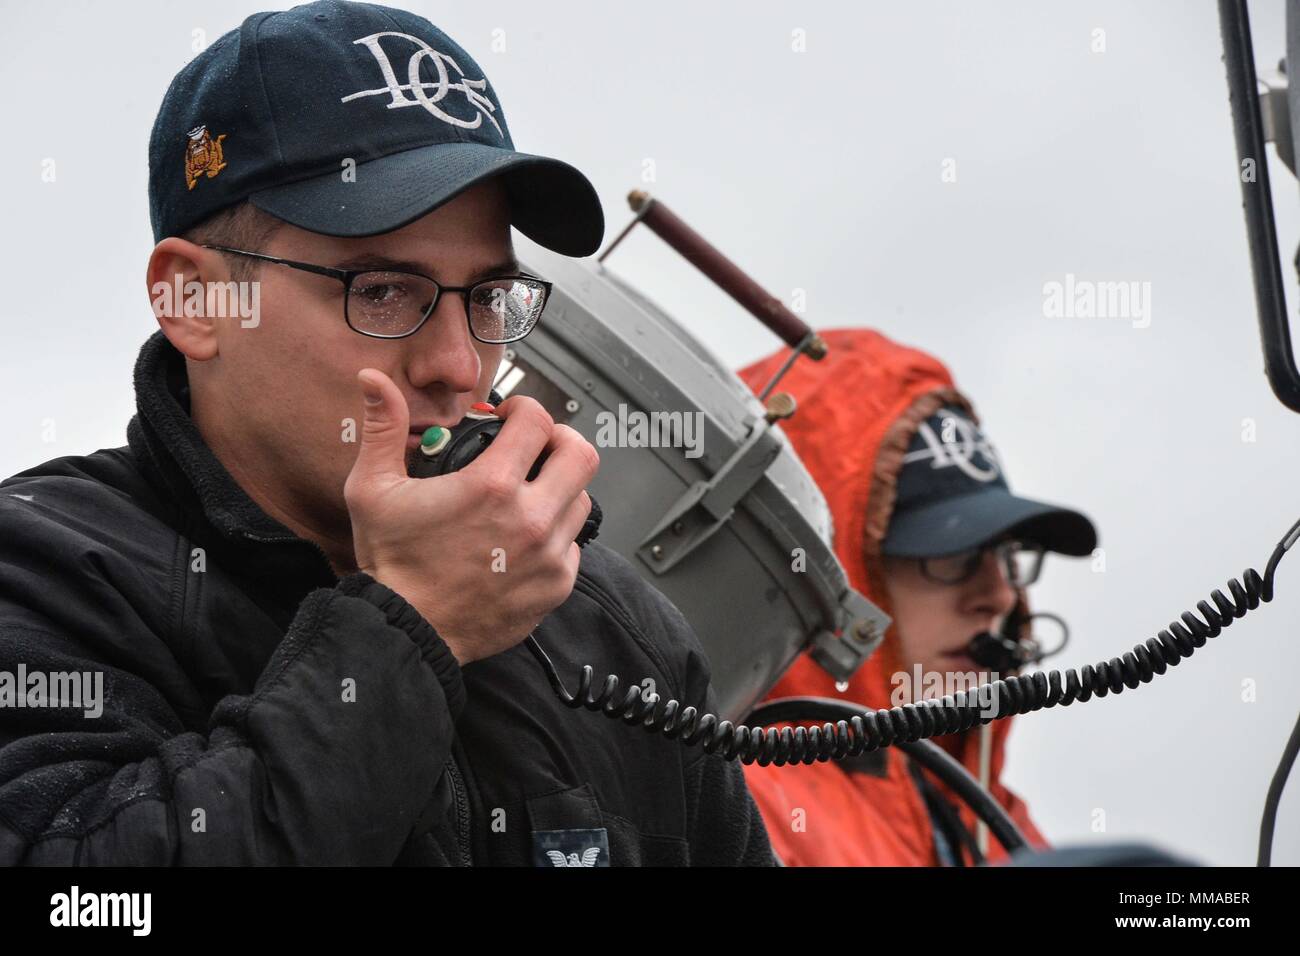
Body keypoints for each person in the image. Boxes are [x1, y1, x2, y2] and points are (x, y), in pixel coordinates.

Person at [0, 1, 773, 867]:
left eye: (487, 299)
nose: (458, 365)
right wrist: (412, 628)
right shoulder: (41, 576)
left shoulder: (612, 623)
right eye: (381, 291)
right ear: (194, 299)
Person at [738, 327, 1098, 866]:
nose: (998, 596)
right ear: (823, 574)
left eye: (1007, 554)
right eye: (950, 557)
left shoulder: (998, 830)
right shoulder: (723, 805)